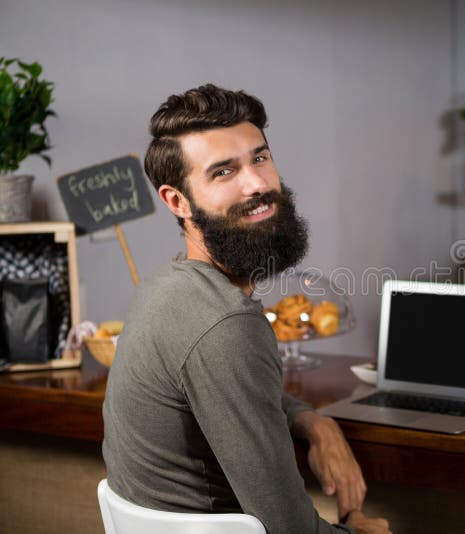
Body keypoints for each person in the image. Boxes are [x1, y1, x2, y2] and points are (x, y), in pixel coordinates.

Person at [102, 84, 391, 534]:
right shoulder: (227, 324)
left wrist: (311, 421)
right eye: (223, 172)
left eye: (260, 158)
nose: (257, 183)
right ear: (177, 201)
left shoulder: (165, 287)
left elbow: (233, 388)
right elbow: (290, 530)